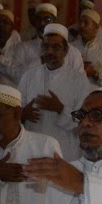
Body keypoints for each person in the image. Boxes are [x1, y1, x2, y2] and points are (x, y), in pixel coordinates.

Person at [15, 22, 91, 160]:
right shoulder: (29, 76)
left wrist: (60, 109)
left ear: (66, 50)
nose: (49, 51)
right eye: (46, 46)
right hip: (33, 148)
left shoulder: (79, 81)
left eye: (56, 47)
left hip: (65, 151)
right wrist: (23, 114)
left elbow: (84, 120)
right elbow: (16, 110)